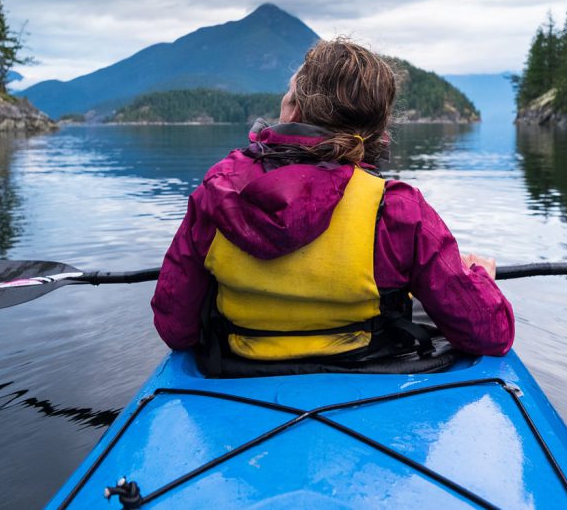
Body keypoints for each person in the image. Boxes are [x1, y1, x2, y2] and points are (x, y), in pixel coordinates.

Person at [151, 38, 514, 370]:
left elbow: (176, 329)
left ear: (293, 113)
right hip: (366, 370)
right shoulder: (397, 209)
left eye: (289, 93)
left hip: (240, 375)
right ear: (376, 128)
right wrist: (479, 277)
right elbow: (490, 333)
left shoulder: (216, 195)